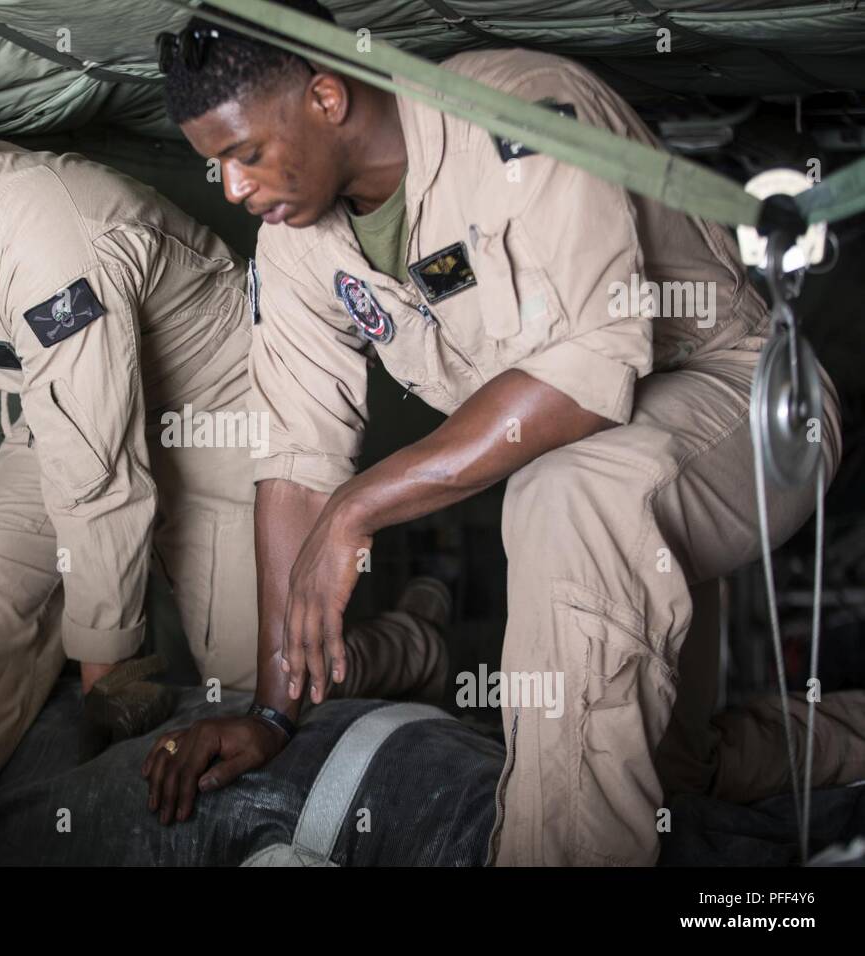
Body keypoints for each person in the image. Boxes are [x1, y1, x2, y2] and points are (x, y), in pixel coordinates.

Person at [146, 0, 864, 865]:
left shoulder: (521, 113)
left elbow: (587, 372)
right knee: (672, 773)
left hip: (743, 405)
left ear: (327, 99)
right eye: (215, 166)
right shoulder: (297, 246)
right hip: (619, 467)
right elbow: (296, 464)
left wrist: (357, 510)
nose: (233, 188)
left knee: (562, 495)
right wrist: (270, 713)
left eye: (244, 154)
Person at [0, 83, 453, 864]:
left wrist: (108, 675)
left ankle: (414, 642)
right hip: (69, 400)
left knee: (263, 688)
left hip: (219, 410)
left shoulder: (51, 253)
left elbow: (100, 482)